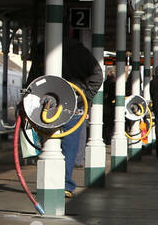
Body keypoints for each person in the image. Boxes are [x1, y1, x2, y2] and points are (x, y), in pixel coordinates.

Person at [28, 32, 104, 198]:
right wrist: (83, 98)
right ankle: (65, 184)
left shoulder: (42, 49)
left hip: (46, 105)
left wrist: (27, 100)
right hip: (73, 106)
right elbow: (97, 76)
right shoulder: (80, 51)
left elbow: (33, 78)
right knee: (70, 145)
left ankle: (52, 182)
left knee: (48, 142)